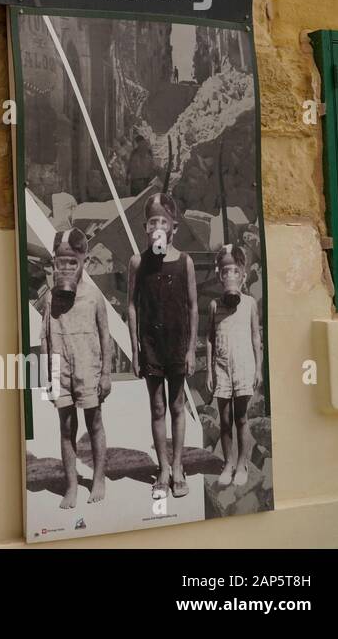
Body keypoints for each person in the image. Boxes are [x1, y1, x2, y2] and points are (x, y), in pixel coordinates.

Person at [127, 193, 199, 498]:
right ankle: (164, 469)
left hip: (177, 344)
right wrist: (134, 350)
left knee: (177, 405)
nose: (158, 225)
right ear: (146, 227)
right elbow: (131, 305)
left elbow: (194, 307)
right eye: (152, 221)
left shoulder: (185, 262)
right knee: (157, 407)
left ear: (174, 227)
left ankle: (179, 466)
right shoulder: (138, 262)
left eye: (164, 221)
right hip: (151, 345)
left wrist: (192, 348)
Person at [41, 229, 112, 508]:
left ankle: (99, 477)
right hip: (61, 370)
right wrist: (46, 377)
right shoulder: (50, 298)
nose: (67, 267)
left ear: (85, 260)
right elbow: (45, 337)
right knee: (66, 427)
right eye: (62, 262)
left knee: (94, 422)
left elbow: (106, 336)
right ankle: (71, 484)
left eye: (73, 261)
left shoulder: (94, 297)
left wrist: (106, 373)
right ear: (54, 262)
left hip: (89, 369)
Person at [206, 244, 263, 488]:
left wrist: (258, 368)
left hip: (244, 367)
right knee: (225, 419)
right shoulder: (214, 306)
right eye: (225, 271)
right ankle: (228, 463)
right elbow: (209, 338)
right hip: (222, 369)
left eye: (235, 271)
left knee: (241, 417)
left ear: (243, 274)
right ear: (220, 275)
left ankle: (242, 464)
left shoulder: (249, 304)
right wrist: (209, 370)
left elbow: (255, 337)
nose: (230, 275)